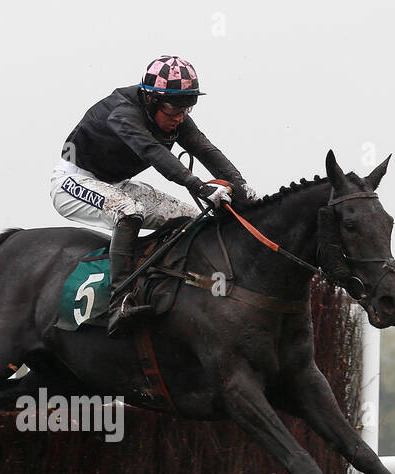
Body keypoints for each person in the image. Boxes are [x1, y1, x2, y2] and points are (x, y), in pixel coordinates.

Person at [51, 55, 257, 336]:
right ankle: (119, 301)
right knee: (128, 211)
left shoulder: (174, 115)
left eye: (188, 106)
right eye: (174, 107)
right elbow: (154, 153)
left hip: (116, 184)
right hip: (72, 181)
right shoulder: (122, 113)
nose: (180, 116)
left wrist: (239, 184)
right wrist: (199, 186)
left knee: (192, 219)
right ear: (151, 99)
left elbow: (205, 149)